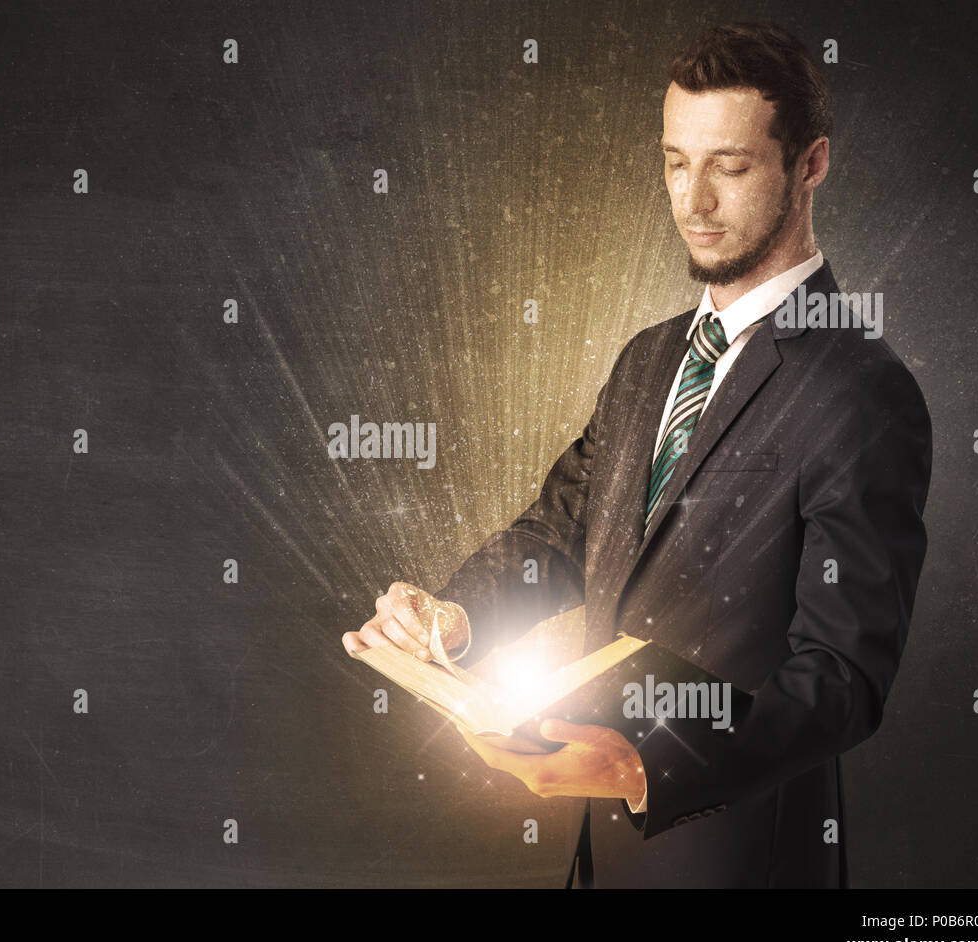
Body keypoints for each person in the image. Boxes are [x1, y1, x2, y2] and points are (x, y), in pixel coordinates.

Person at [343, 22, 933, 888]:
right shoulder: (649, 360)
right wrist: (452, 620)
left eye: (728, 167)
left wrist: (639, 769)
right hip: (602, 860)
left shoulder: (862, 389)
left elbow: (842, 678)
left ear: (810, 165)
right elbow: (562, 531)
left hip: (742, 867)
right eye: (673, 161)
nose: (692, 200)